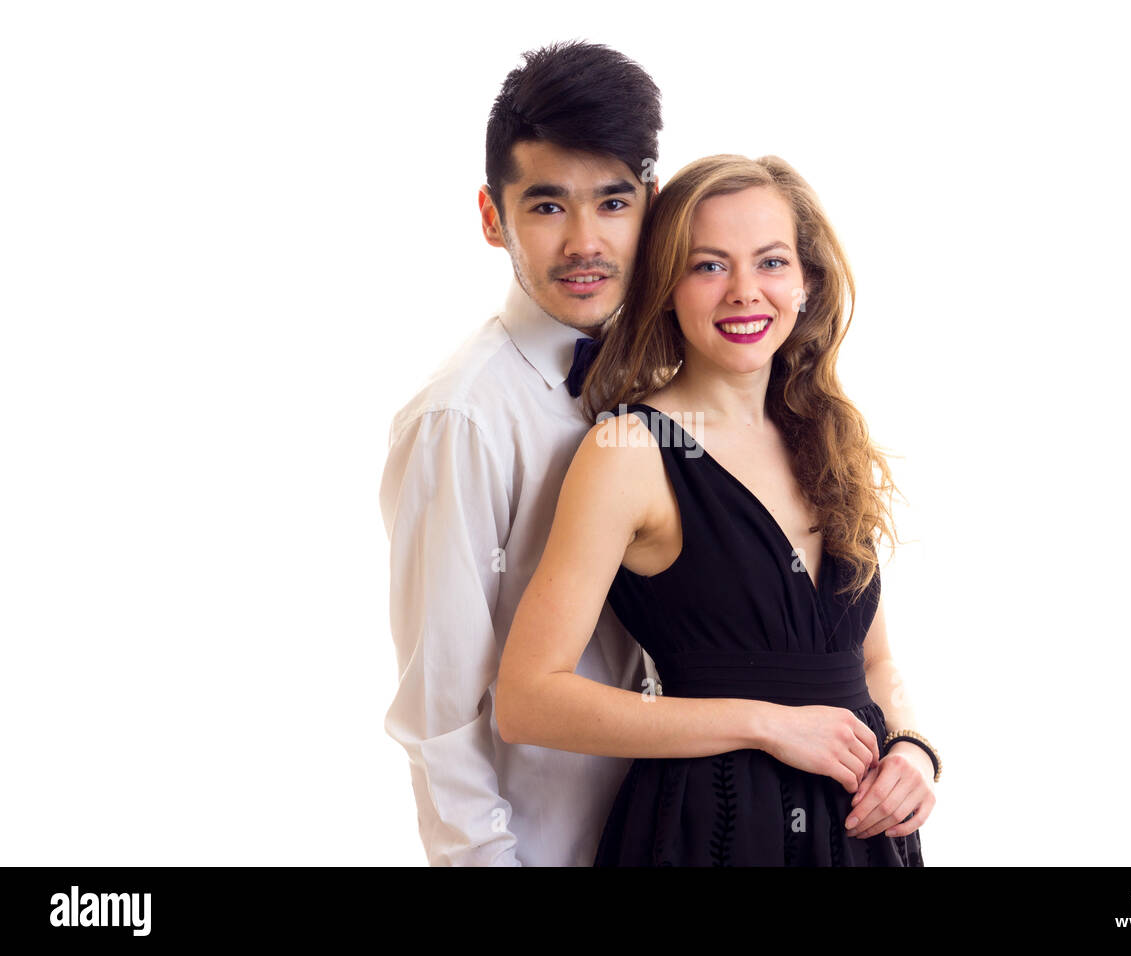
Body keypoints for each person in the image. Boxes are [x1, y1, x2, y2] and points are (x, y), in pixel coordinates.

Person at [496, 154, 940, 865]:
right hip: (714, 833)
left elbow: (872, 659)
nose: (743, 292)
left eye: (770, 262)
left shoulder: (827, 433)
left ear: (806, 283)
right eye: (708, 266)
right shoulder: (628, 451)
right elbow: (528, 700)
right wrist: (766, 725)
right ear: (667, 285)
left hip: (864, 835)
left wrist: (915, 749)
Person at [378, 40, 663, 866]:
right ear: (491, 216)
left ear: (652, 205)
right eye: (547, 207)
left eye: (613, 204)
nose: (584, 241)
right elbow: (439, 717)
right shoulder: (458, 422)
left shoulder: (671, 381)